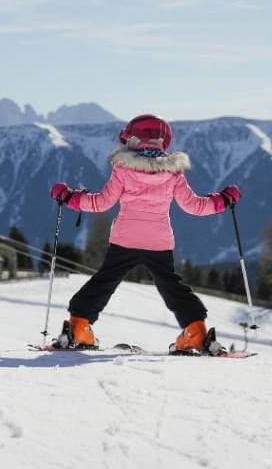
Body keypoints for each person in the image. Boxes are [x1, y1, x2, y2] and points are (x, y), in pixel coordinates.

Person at [49, 114, 241, 352]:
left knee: (104, 282)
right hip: (158, 242)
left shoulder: (123, 169)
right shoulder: (173, 172)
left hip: (125, 238)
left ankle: (78, 328)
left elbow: (101, 203)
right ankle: (195, 333)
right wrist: (224, 200)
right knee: (172, 287)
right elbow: (195, 206)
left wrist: (69, 197)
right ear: (163, 141)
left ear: (132, 140)